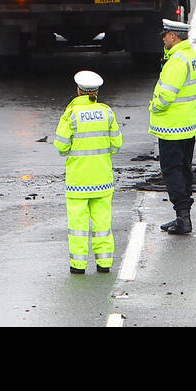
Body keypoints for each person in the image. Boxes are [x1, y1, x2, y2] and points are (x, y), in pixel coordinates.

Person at [54, 70, 123, 274]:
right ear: (96, 92)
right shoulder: (107, 112)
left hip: (78, 182)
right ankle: (104, 264)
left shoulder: (71, 114)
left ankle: (78, 265)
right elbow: (117, 144)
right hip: (102, 179)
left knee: (78, 226)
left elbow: (61, 146)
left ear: (78, 91)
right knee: (103, 223)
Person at [149, 18, 196, 235]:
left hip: (172, 126)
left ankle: (183, 218)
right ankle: (183, 216)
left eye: (165, 35)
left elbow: (167, 95)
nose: (163, 38)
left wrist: (155, 107)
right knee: (184, 169)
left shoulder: (177, 61)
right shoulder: (191, 57)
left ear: (173, 36)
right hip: (187, 124)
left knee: (172, 171)